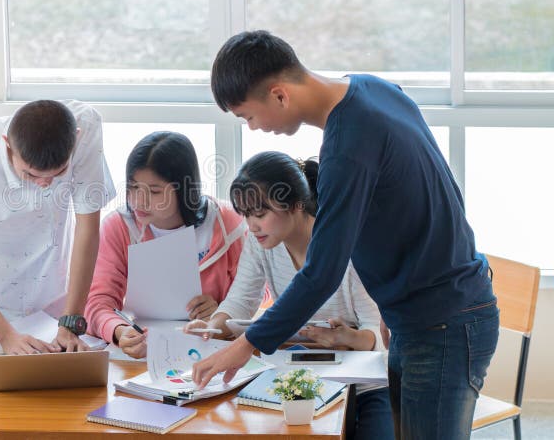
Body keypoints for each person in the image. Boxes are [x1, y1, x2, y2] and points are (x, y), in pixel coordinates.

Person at [191, 30, 498, 440]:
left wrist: (247, 344)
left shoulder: (346, 148)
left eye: (248, 116)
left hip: (443, 319)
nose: (253, 128)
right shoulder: (373, 88)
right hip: (426, 314)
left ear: (279, 95)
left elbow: (322, 273)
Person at [185, 152, 392, 439]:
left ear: (296, 205)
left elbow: (378, 334)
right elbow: (239, 303)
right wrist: (212, 326)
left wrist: (346, 338)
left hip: (363, 383)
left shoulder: (345, 245)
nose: (251, 225)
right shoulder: (261, 244)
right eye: (245, 215)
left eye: (260, 214)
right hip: (294, 380)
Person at [0, 100, 115, 355]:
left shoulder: (86, 127)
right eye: (31, 175)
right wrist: (6, 335)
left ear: (76, 140)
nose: (45, 184)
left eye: (59, 173)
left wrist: (71, 321)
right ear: (7, 144)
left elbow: (87, 227)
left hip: (54, 292)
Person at [85, 131, 246, 358]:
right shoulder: (119, 226)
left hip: (210, 352)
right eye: (133, 187)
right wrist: (120, 331)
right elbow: (97, 303)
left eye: (154, 191)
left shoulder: (228, 223)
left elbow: (255, 297)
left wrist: (221, 311)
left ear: (184, 189)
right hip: (142, 353)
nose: (138, 200)